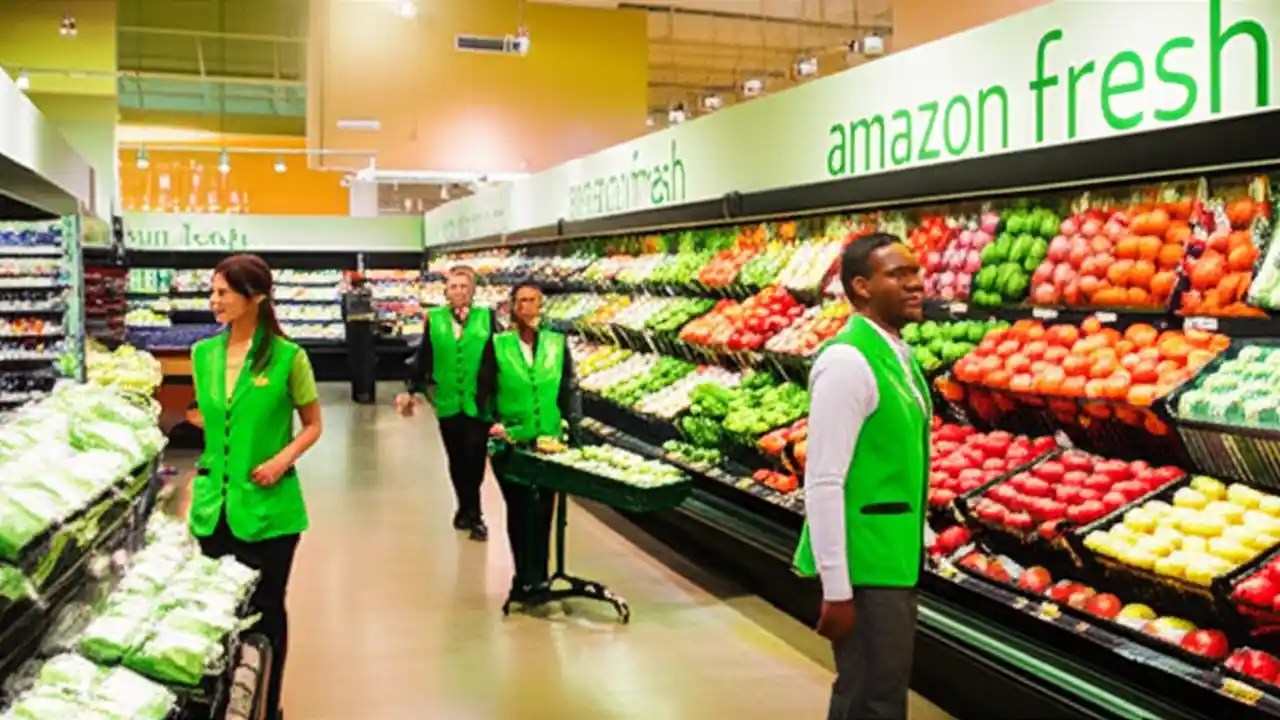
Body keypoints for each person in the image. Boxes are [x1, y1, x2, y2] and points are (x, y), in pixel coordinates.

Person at [792, 233, 929, 720]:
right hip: (864, 564)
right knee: (870, 697)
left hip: (892, 555)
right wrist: (836, 589)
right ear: (861, 286)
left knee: (882, 691)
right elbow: (824, 480)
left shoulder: (898, 354)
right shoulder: (847, 361)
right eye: (898, 274)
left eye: (915, 271)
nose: (916, 283)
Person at [189, 253, 323, 720]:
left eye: (223, 292)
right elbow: (212, 416)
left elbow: (312, 425)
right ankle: (227, 704)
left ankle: (268, 705)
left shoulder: (288, 357)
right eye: (213, 291)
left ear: (256, 297)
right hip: (213, 507)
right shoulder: (202, 354)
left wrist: (280, 459)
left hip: (270, 509)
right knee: (216, 612)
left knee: (266, 610)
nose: (214, 300)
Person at [487, 282, 581, 602]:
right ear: (513, 307)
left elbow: (568, 388)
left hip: (548, 440)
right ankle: (523, 575)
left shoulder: (557, 344)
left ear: (542, 305)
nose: (528, 307)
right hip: (511, 442)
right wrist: (492, 423)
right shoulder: (497, 345)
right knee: (520, 507)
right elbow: (483, 386)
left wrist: (572, 430)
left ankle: (539, 578)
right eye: (522, 301)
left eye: (533, 301)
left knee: (544, 509)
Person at [396, 266, 497, 541]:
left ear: (473, 290)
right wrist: (411, 389)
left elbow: (496, 355)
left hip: (479, 400)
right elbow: (425, 355)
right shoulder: (435, 319)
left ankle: (475, 514)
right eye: (454, 286)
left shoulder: (488, 317)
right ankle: (463, 506)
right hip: (448, 399)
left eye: (464, 286)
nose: (459, 291)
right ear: (446, 291)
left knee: (475, 456)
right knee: (456, 457)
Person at [342, 273, 378, 404]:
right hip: (366, 332)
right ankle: (368, 394)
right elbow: (375, 312)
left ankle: (358, 394)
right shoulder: (369, 296)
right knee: (368, 363)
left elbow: (344, 314)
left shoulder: (347, 296)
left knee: (356, 364)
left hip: (353, 333)